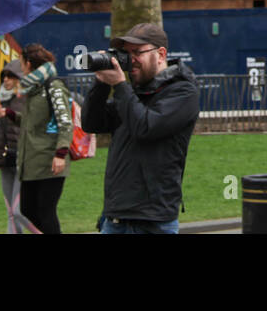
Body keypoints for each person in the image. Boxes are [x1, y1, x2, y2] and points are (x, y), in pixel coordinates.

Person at [81, 23, 200, 234]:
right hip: (116, 217)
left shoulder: (182, 92)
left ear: (161, 54)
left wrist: (119, 86)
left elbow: (145, 128)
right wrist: (101, 84)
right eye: (125, 53)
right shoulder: (131, 93)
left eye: (137, 52)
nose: (130, 60)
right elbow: (92, 123)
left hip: (153, 221)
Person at [0, 43, 71, 234]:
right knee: (27, 211)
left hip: (49, 161)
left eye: (21, 63)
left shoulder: (53, 86)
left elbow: (64, 121)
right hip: (30, 162)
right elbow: (31, 123)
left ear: (29, 64)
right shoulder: (32, 89)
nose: (21, 68)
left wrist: (61, 154)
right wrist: (10, 114)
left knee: (46, 212)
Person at [0, 59, 25, 233]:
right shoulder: (2, 100)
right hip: (5, 159)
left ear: (19, 78)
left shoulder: (26, 99)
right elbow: (1, 129)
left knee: (18, 212)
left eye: (10, 76)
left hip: (23, 159)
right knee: (10, 212)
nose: (6, 80)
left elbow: (30, 126)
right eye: (4, 76)